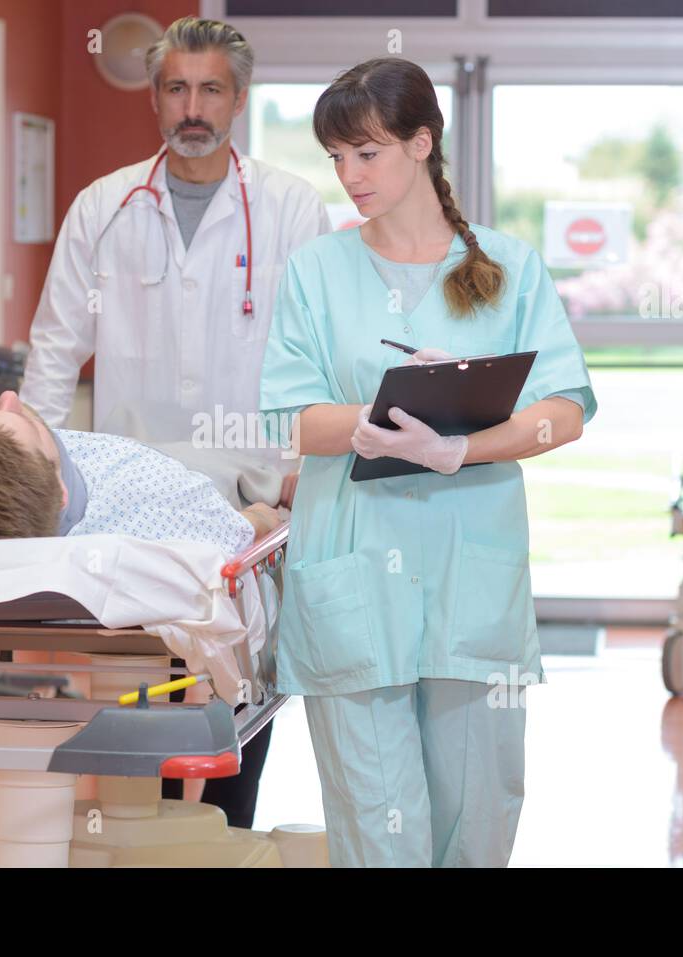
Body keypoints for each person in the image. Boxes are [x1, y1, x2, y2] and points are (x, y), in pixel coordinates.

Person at [257, 57, 598, 867]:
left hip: (469, 585)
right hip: (352, 582)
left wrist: (459, 447)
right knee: (378, 832)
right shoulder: (315, 269)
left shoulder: (507, 269)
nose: (348, 175)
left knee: (477, 824)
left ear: (422, 143)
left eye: (365, 153)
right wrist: (381, 418)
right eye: (335, 156)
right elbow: (289, 417)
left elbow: (565, 412)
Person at [18, 16, 330, 825]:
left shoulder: (292, 208)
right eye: (176, 88)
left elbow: (318, 353)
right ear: (156, 96)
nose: (193, 107)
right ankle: (147, 829)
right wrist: (32, 476)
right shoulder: (105, 207)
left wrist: (304, 462)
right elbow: (55, 349)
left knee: (244, 678)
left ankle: (226, 830)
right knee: (146, 673)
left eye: (210, 89)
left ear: (239, 96)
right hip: (136, 480)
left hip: (250, 482)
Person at [0, 391, 283, 550]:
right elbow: (235, 533)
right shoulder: (151, 490)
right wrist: (257, 518)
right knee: (249, 492)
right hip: (194, 475)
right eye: (29, 425)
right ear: (60, 492)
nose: (9, 396)